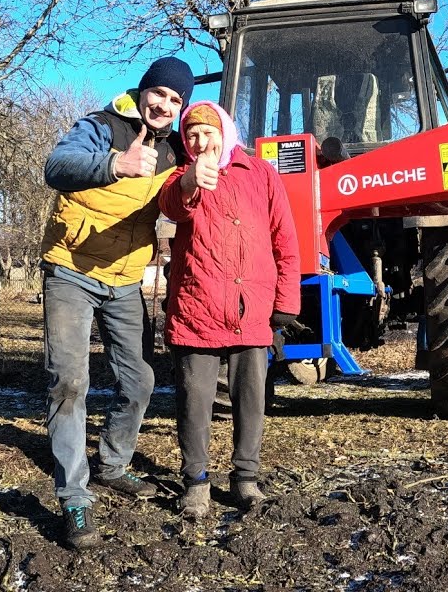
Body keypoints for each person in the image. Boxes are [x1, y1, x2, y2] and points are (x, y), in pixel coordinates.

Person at [40, 56, 194, 549]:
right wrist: (114, 164)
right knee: (70, 380)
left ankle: (112, 463)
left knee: (141, 380)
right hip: (71, 270)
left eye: (176, 100)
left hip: (125, 280)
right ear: (143, 91)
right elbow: (56, 167)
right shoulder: (100, 125)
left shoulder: (176, 151)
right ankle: (75, 499)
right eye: (160, 94)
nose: (165, 105)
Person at [157, 100, 300, 519]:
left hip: (251, 308)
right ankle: (196, 482)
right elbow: (170, 206)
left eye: (209, 132)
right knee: (194, 401)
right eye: (193, 135)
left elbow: (285, 241)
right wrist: (189, 182)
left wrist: (286, 304)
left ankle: (245, 479)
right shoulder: (179, 177)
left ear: (225, 132)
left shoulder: (261, 174)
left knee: (251, 400)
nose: (202, 142)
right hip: (196, 307)